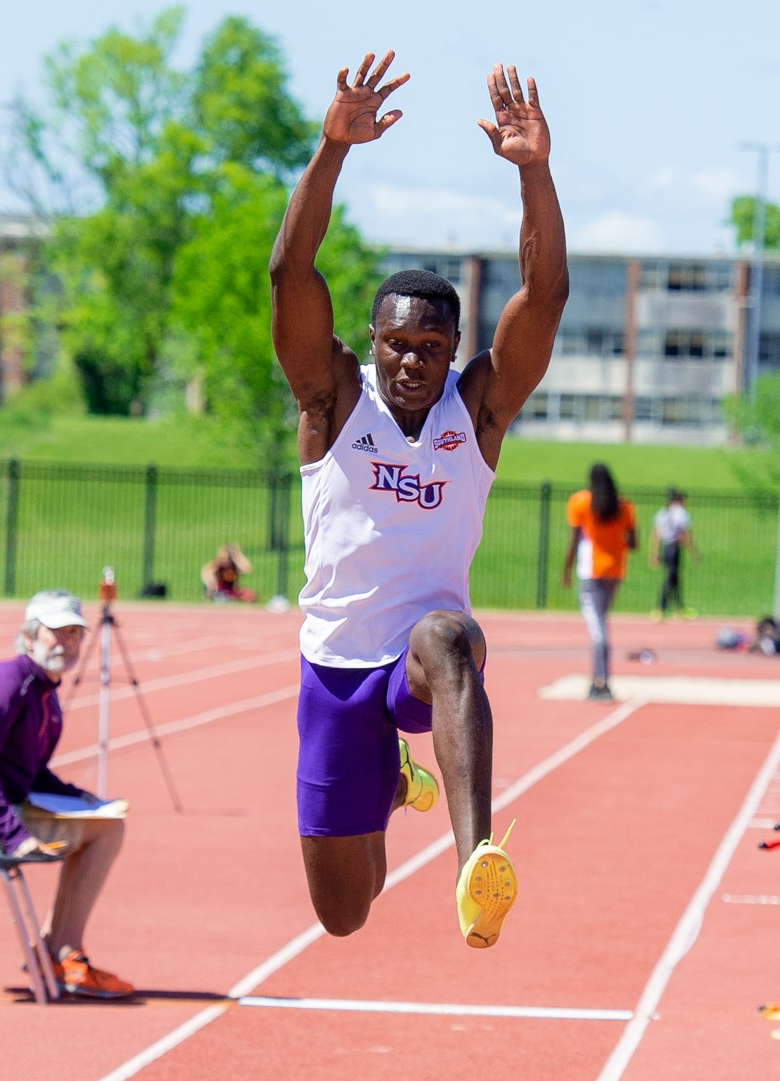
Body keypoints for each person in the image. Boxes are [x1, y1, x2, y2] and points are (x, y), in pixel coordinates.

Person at [268, 53, 567, 947]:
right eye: (396, 342)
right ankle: (394, 778)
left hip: (424, 663)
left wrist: (534, 173)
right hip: (336, 666)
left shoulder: (474, 411)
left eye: (430, 346)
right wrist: (331, 150)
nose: (411, 360)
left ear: (451, 350)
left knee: (443, 635)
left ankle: (476, 860)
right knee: (344, 913)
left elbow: (543, 296)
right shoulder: (331, 401)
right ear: (372, 340)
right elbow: (289, 276)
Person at [0, 590, 133, 999]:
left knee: (105, 821)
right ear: (28, 637)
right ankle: (62, 955)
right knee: (107, 833)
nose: (68, 642)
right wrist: (13, 835)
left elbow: (29, 771)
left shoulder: (41, 688)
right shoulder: (8, 681)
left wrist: (83, 798)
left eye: (75, 633)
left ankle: (57, 954)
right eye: (56, 633)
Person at [561, 463, 637, 700]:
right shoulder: (623, 505)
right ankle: (601, 677)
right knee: (601, 623)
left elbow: (574, 540)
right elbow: (633, 542)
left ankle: (599, 680)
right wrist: (615, 543)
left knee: (597, 629)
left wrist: (566, 568)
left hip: (590, 571)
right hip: (614, 570)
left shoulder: (581, 502)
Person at [648, 487, 699, 621]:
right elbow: (684, 534)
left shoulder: (662, 513)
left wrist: (654, 552)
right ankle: (661, 607)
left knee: (674, 579)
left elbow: (656, 534)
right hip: (674, 547)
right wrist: (693, 552)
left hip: (666, 547)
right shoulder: (681, 513)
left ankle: (679, 608)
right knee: (671, 578)